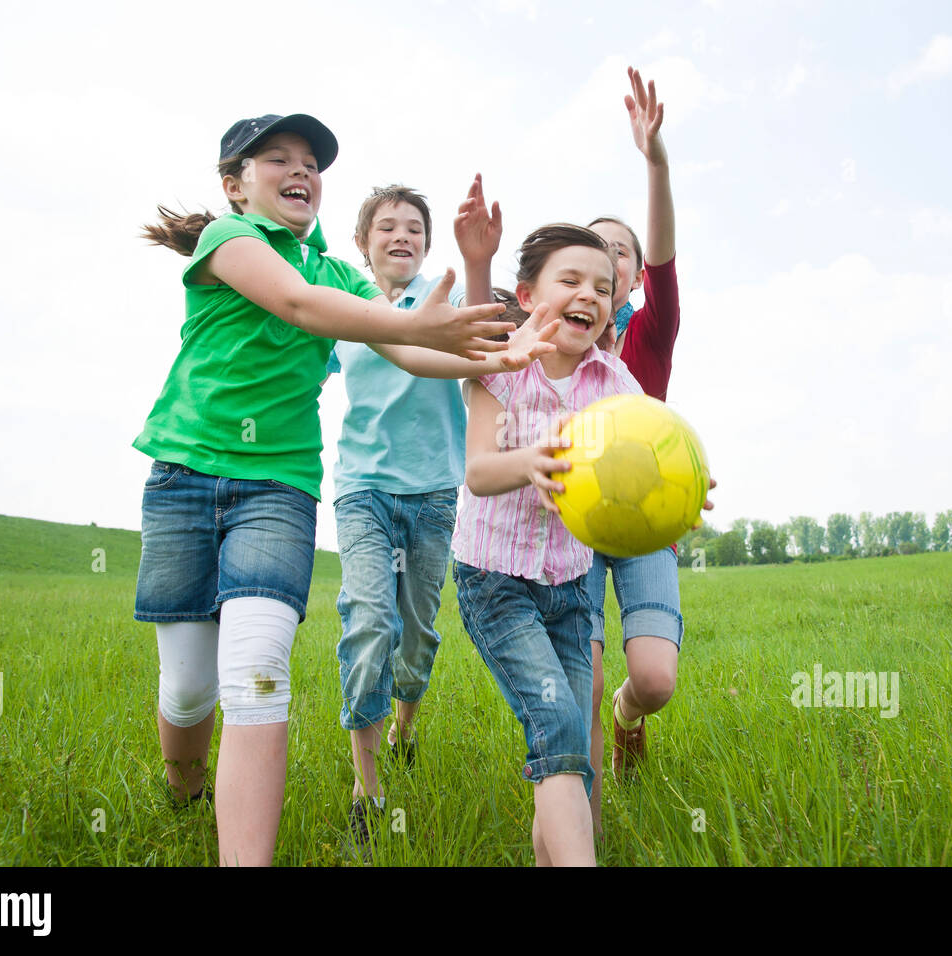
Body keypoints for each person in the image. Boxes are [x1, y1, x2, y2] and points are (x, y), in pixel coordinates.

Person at [133, 113, 547, 866]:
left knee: (258, 670)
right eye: (279, 159)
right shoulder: (230, 242)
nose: (301, 170)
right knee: (189, 688)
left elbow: (402, 348)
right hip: (184, 478)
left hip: (278, 486)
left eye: (311, 162)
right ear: (236, 187)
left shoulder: (337, 274)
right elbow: (297, 305)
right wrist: (415, 328)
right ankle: (183, 788)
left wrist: (501, 354)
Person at [453, 223, 639, 867]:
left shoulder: (615, 385)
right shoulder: (498, 365)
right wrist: (531, 460)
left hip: (569, 589)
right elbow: (478, 471)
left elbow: (645, 470)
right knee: (558, 729)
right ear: (529, 294)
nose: (590, 294)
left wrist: (676, 498)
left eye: (604, 287)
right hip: (495, 582)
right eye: (572, 280)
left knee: (572, 755)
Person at [328, 175, 505, 849]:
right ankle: (366, 790)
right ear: (362, 242)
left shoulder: (446, 294)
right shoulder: (345, 306)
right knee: (369, 620)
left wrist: (479, 264)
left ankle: (404, 728)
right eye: (387, 227)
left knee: (416, 633)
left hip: (433, 493)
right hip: (362, 490)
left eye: (413, 229)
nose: (402, 236)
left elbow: (483, 339)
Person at [585, 68, 691, 832]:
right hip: (576, 526)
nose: (613, 261)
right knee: (580, 682)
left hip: (648, 520)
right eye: (594, 251)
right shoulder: (553, 342)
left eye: (620, 253)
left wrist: (654, 161)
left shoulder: (650, 331)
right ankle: (581, 823)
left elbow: (661, 257)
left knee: (652, 678)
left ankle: (631, 716)